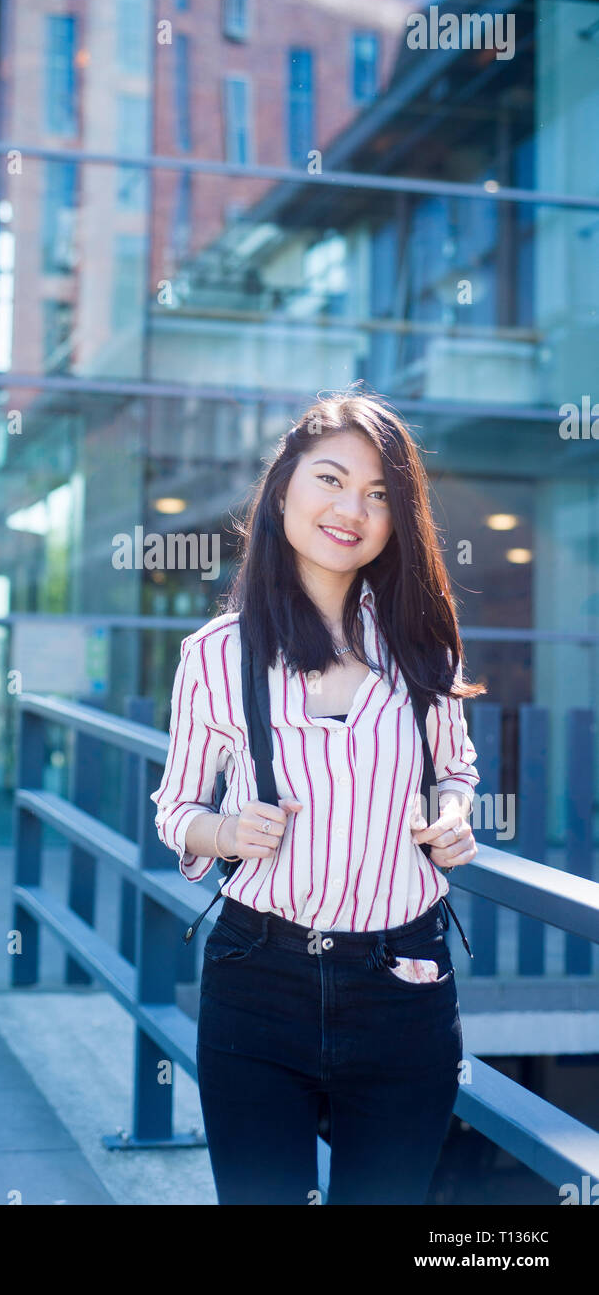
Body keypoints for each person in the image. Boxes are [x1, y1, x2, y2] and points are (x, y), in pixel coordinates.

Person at [150, 389, 485, 1205]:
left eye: (378, 495)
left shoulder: (420, 640)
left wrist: (451, 815)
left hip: (400, 978)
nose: (351, 510)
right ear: (283, 491)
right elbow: (174, 813)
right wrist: (226, 832)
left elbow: (455, 769)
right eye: (330, 480)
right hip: (256, 979)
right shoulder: (216, 656)